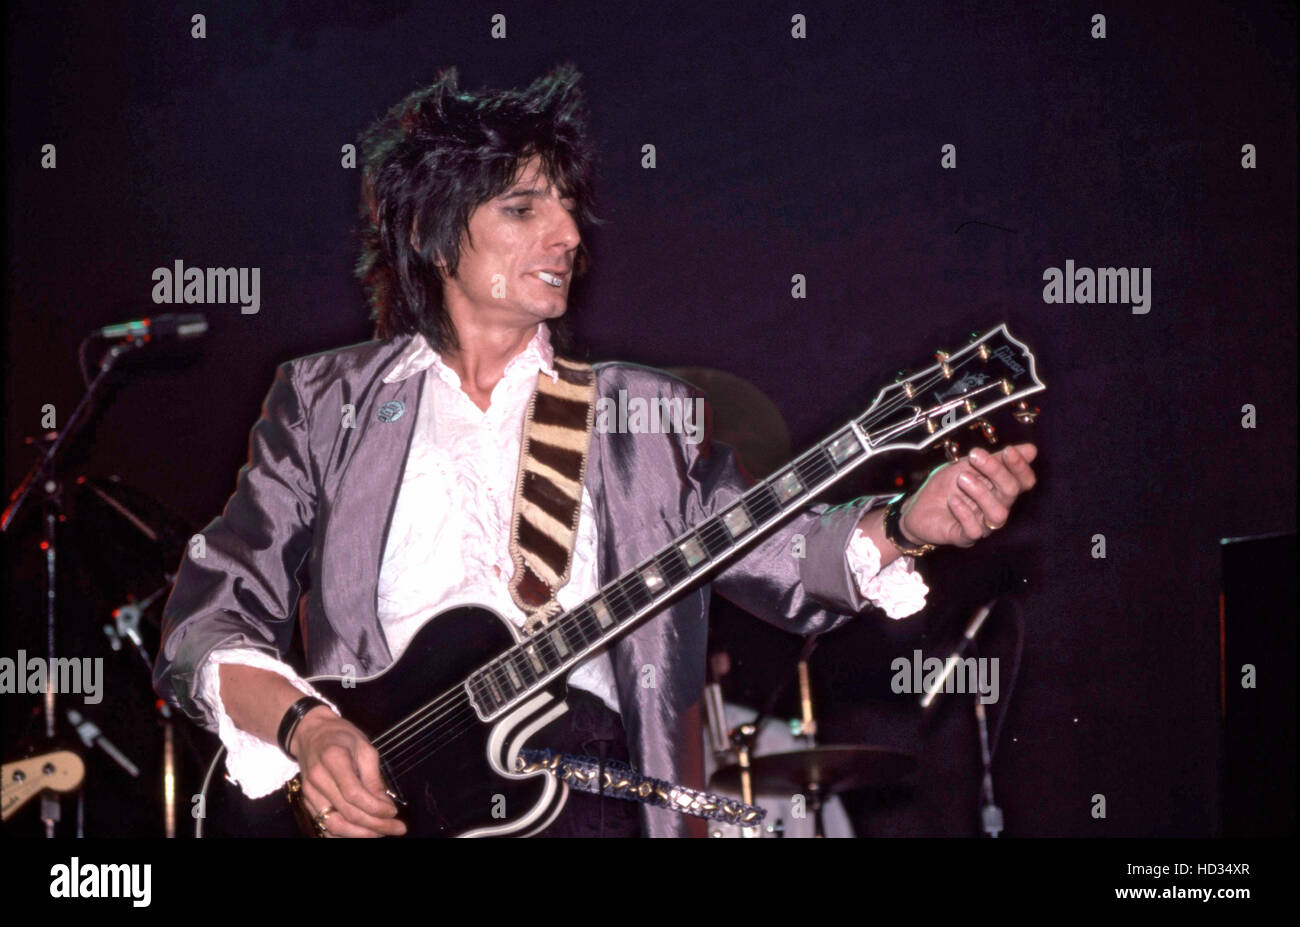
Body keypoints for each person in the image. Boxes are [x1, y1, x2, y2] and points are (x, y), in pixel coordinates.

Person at [153, 64, 1038, 838]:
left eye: (569, 206)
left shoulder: (643, 412)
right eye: (523, 206)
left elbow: (779, 549)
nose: (569, 235)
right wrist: (311, 730)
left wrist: (905, 518)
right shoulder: (324, 402)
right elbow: (206, 619)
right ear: (430, 232)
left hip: (583, 795)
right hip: (386, 806)